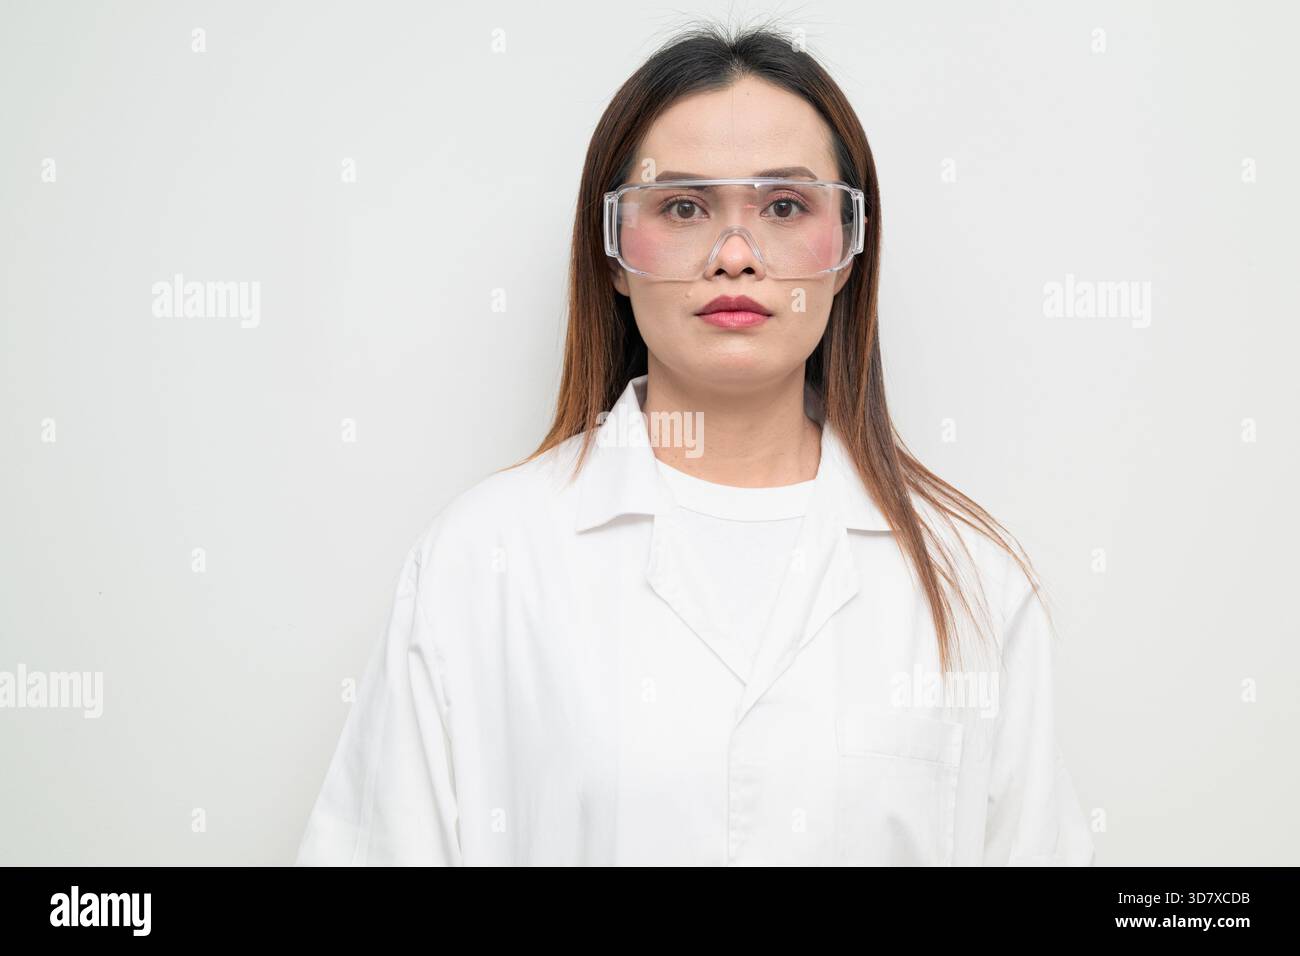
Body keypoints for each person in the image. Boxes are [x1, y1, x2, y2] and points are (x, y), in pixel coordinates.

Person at [294, 22, 1095, 866]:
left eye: (785, 208)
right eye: (682, 207)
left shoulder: (972, 584)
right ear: (610, 251)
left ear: (850, 248)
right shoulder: (482, 560)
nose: (737, 256)